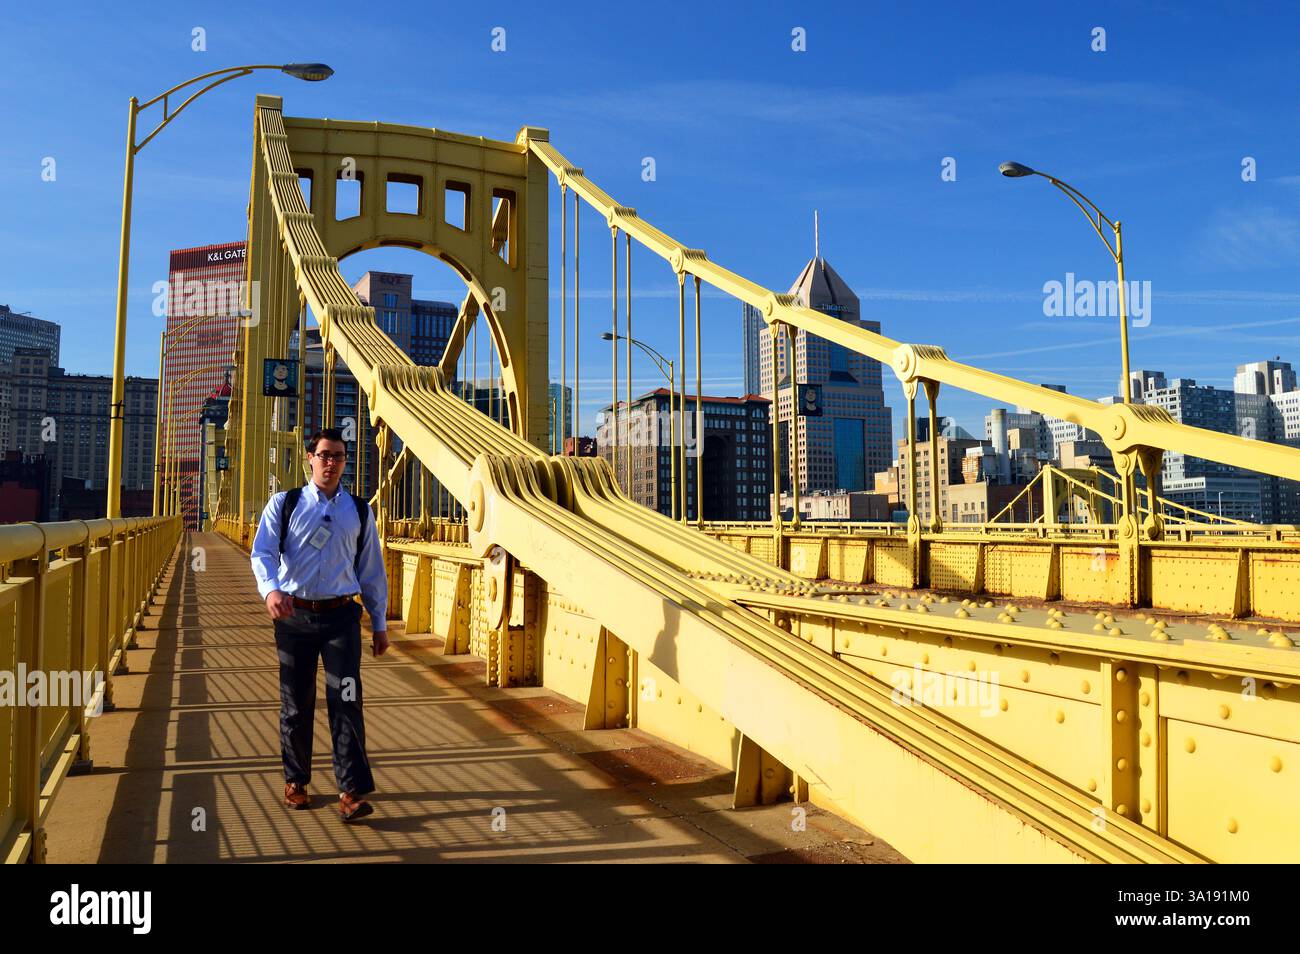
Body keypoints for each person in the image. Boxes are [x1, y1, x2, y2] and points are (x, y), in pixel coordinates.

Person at [250, 427, 389, 822]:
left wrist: (379, 623)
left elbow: (371, 569)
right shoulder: (285, 503)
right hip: (294, 617)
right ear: (310, 457)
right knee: (296, 703)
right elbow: (261, 553)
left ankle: (350, 792)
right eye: (325, 455)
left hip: (342, 618)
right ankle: (296, 782)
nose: (331, 463)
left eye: (339, 456)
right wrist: (270, 591)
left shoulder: (360, 510)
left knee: (346, 701)